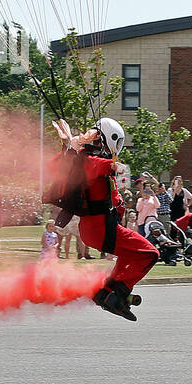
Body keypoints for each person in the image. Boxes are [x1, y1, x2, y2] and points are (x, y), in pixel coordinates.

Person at [49, 117, 157, 321]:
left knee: (131, 254)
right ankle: (118, 294)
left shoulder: (84, 159)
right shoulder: (89, 160)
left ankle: (105, 293)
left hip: (98, 228)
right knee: (150, 254)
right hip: (101, 229)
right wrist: (115, 167)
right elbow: (100, 166)